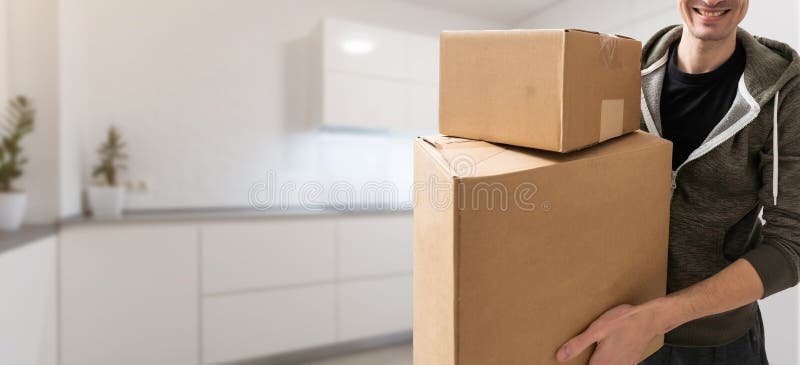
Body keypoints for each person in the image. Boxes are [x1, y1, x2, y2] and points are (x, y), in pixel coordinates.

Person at [555, 1, 800, 364]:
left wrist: (654, 318)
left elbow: (791, 243)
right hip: (612, 331)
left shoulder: (784, 90)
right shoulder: (621, 73)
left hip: (718, 344)